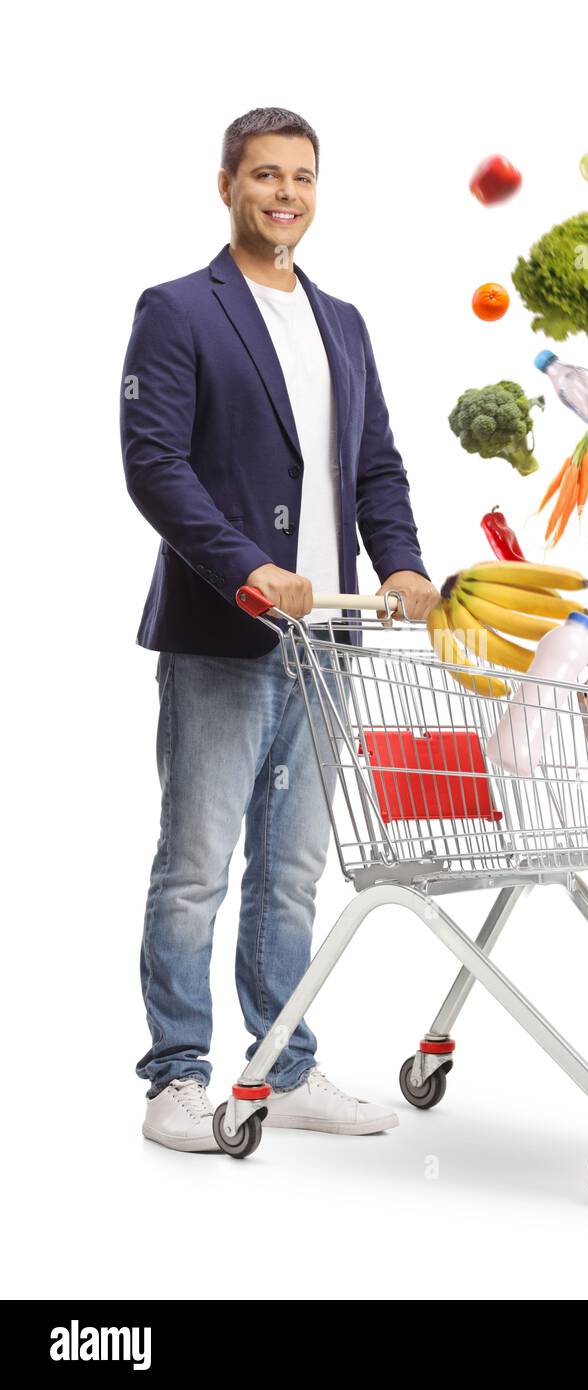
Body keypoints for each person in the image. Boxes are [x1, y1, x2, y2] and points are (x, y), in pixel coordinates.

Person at [120, 107, 440, 1153]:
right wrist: (247, 568)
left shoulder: (342, 320)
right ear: (226, 186)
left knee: (294, 870)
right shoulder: (177, 310)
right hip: (221, 635)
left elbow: (376, 465)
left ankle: (282, 1065)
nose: (284, 194)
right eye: (264, 175)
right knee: (197, 865)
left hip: (331, 645)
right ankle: (177, 1080)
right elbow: (155, 466)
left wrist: (400, 563)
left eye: (301, 177)